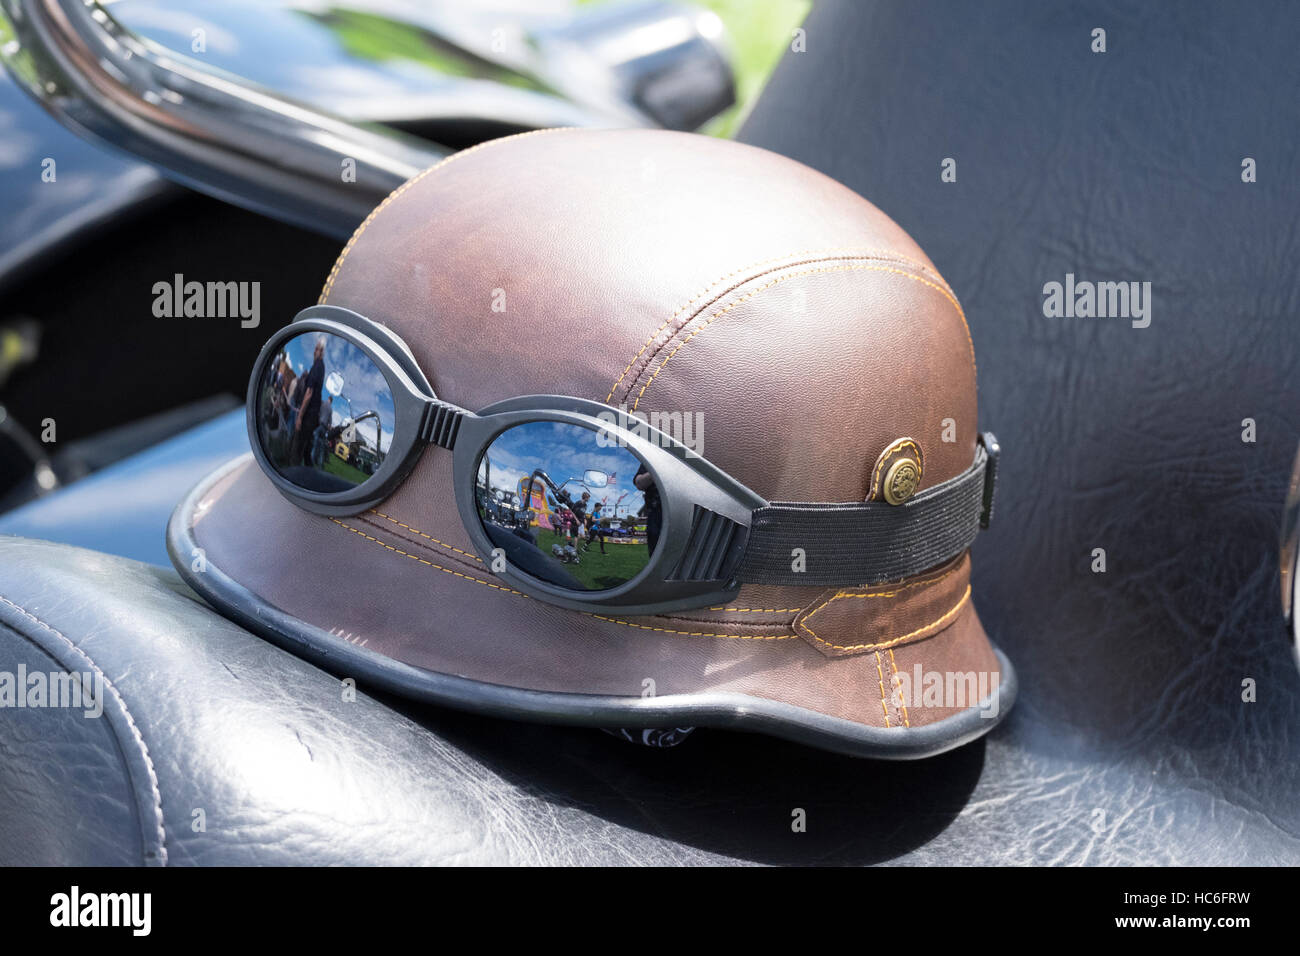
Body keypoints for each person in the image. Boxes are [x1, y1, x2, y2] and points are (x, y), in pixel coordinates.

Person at [291, 337, 326, 467]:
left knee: (299, 445)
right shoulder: (320, 367)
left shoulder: (317, 366)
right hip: (313, 415)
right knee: (306, 449)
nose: (314, 351)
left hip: (308, 415)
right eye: (315, 349)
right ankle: (307, 472)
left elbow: (309, 393)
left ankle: (293, 471)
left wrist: (300, 416)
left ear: (321, 352)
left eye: (317, 349)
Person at [634, 464, 660, 555]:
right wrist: (660, 469)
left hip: (684, 511)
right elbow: (639, 483)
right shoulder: (653, 460)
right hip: (656, 512)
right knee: (656, 552)